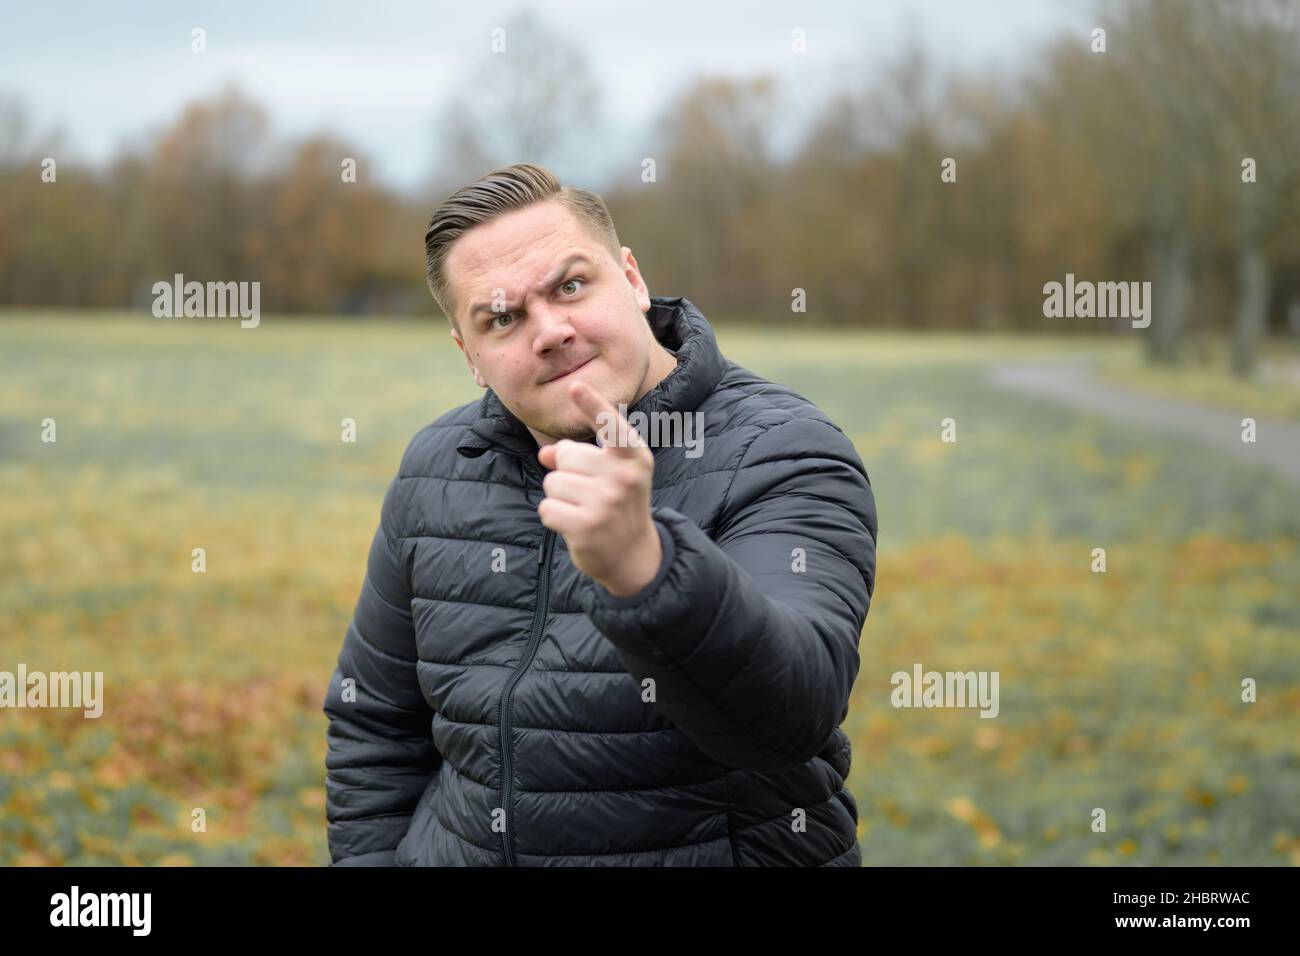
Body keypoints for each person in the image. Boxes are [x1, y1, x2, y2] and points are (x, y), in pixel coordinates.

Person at [322, 163, 878, 866]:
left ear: (633, 280)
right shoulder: (437, 464)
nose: (551, 331)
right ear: (470, 356)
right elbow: (373, 725)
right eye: (503, 318)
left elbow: (790, 716)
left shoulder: (782, 449)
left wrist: (648, 571)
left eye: (570, 286)